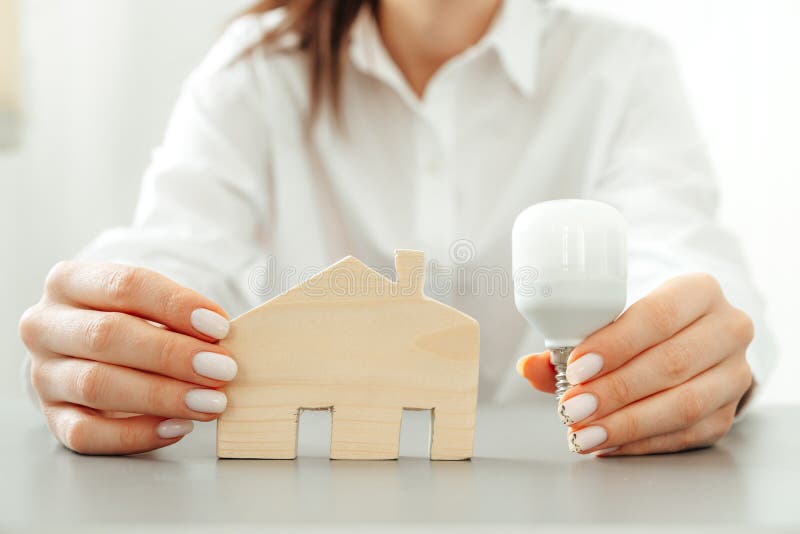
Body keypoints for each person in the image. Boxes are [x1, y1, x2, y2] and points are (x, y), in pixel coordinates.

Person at [18, 0, 773, 456]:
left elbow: (682, 250)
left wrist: (689, 349)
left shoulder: (624, 69)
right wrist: (114, 321)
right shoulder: (255, 71)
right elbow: (179, 241)